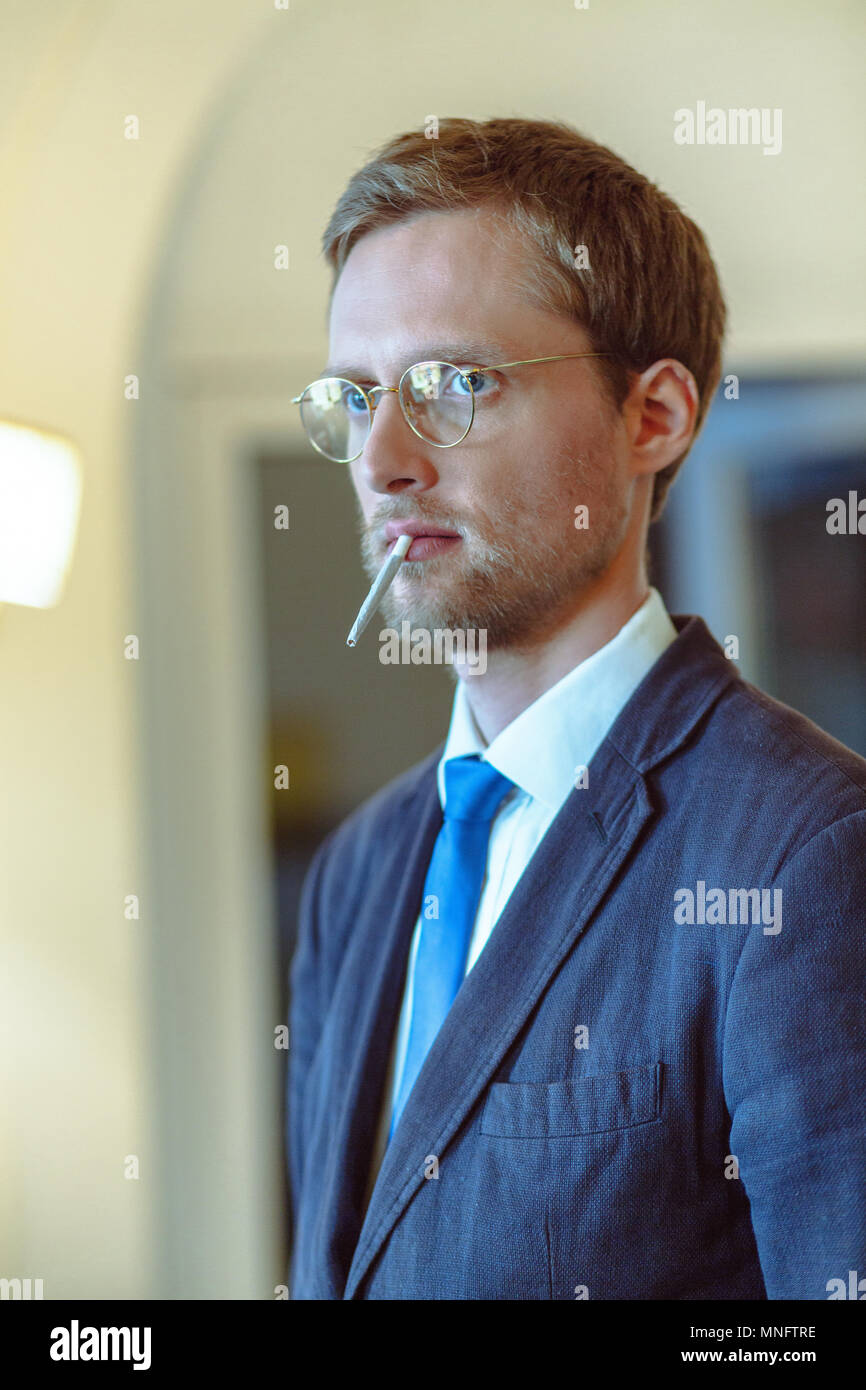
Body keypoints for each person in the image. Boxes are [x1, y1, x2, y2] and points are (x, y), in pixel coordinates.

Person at [286, 116, 866, 1300]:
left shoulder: (810, 854)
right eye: (356, 395)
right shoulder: (354, 874)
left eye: (457, 383)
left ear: (652, 416)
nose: (383, 458)